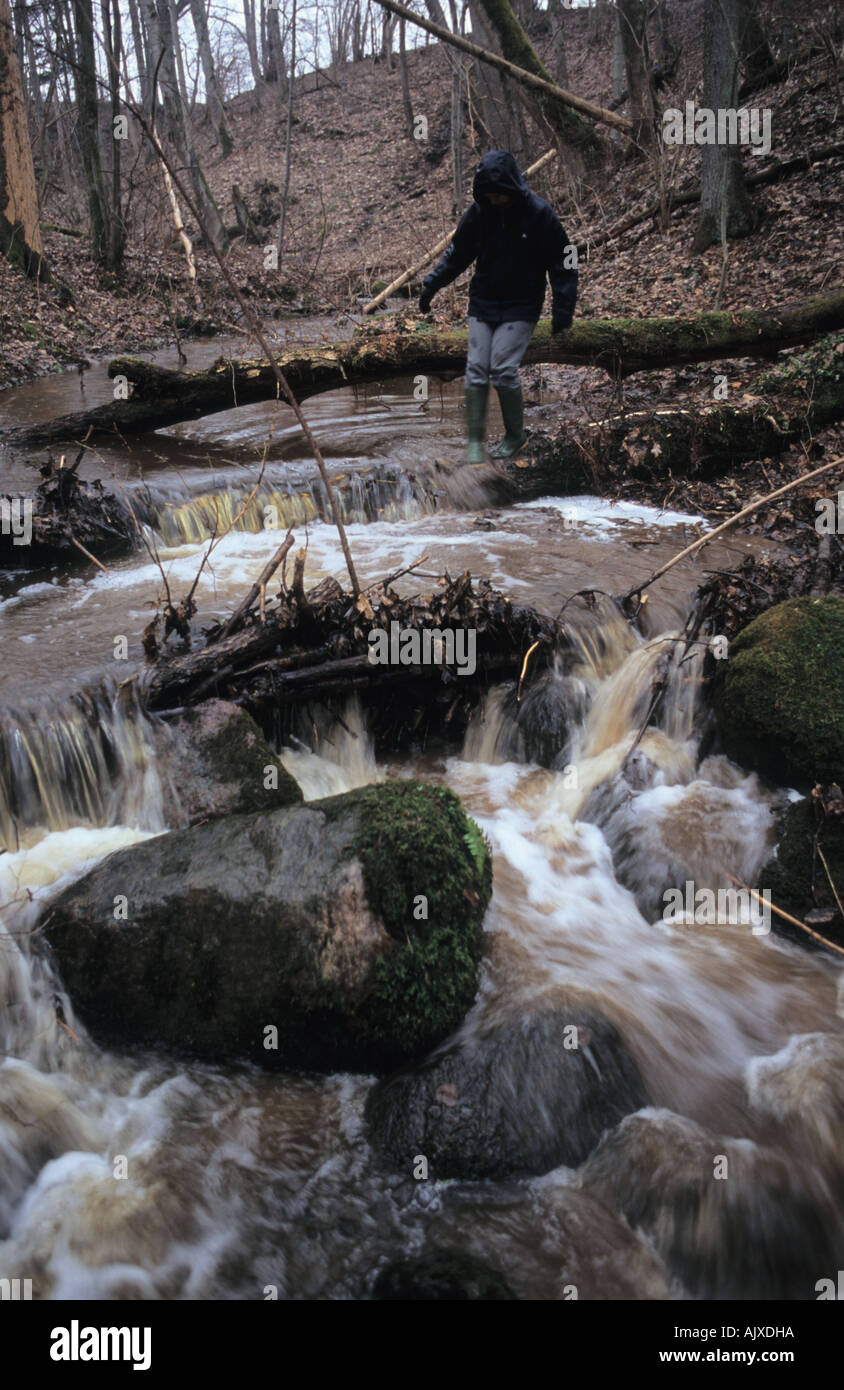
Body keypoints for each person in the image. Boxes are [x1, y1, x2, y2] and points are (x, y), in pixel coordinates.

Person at [418, 149, 578, 463]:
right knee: (476, 370)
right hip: (483, 302)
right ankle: (475, 444)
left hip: (522, 304)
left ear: (512, 189)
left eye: (500, 196)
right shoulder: (478, 214)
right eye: (489, 196)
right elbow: (457, 255)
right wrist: (431, 284)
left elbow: (565, 260)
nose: (495, 202)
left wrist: (563, 309)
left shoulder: (540, 214)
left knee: (503, 369)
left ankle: (515, 435)